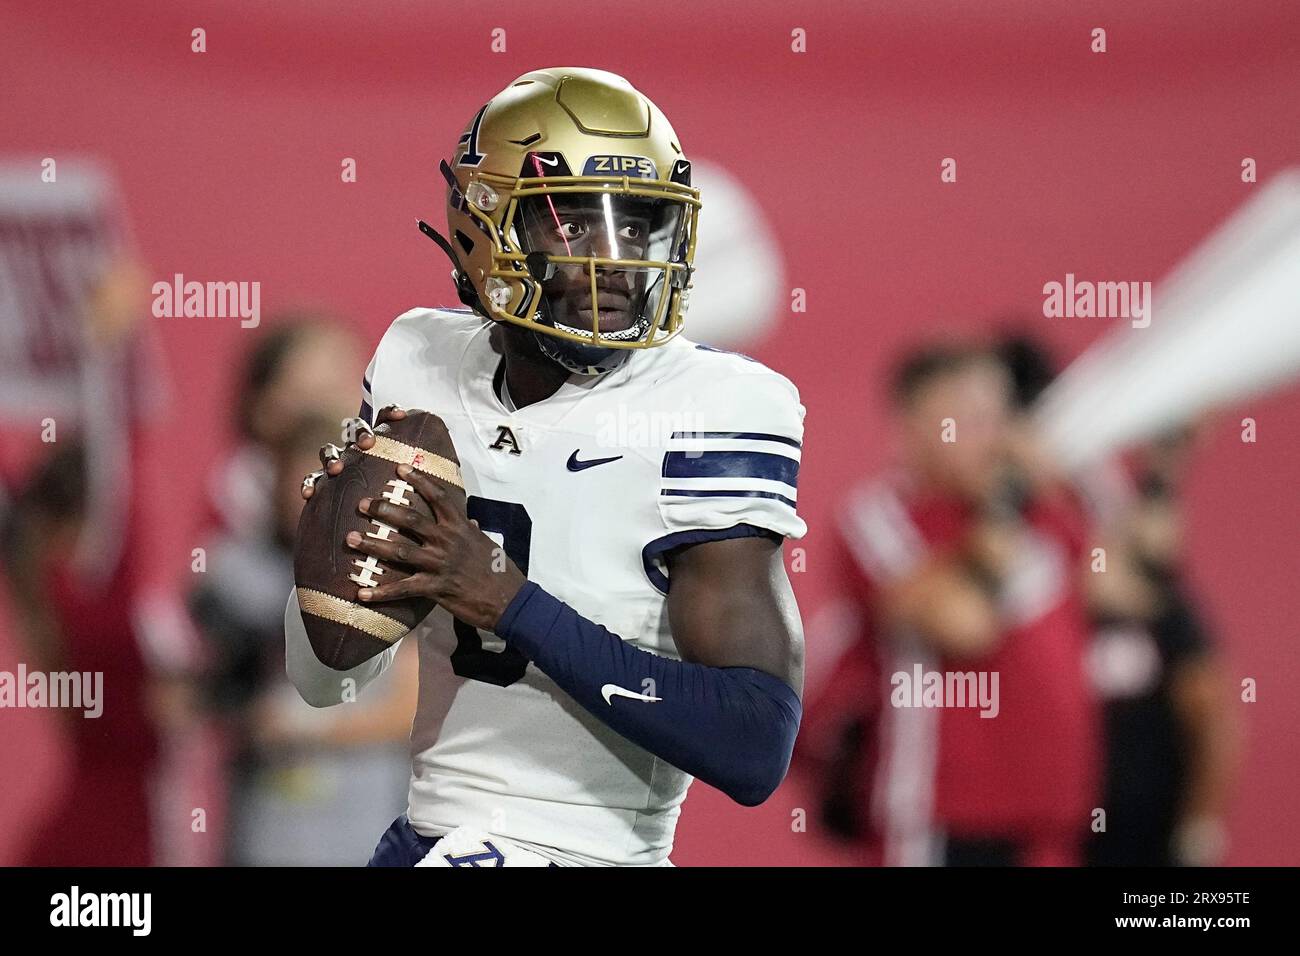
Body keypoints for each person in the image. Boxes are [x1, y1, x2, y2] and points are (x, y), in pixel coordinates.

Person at [284, 68, 807, 867]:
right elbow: (325, 682)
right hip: (429, 834)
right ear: (484, 227)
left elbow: (753, 744)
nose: (618, 263)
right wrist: (330, 570)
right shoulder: (418, 362)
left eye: (637, 229)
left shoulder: (711, 407)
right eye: (577, 228)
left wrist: (510, 602)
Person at [804, 343, 1097, 866]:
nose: (995, 436)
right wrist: (1002, 514)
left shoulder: (1049, 509)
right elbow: (962, 624)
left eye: (1000, 414)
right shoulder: (881, 514)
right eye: (969, 418)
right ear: (912, 429)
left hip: (1049, 814)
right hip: (941, 814)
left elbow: (1126, 585)